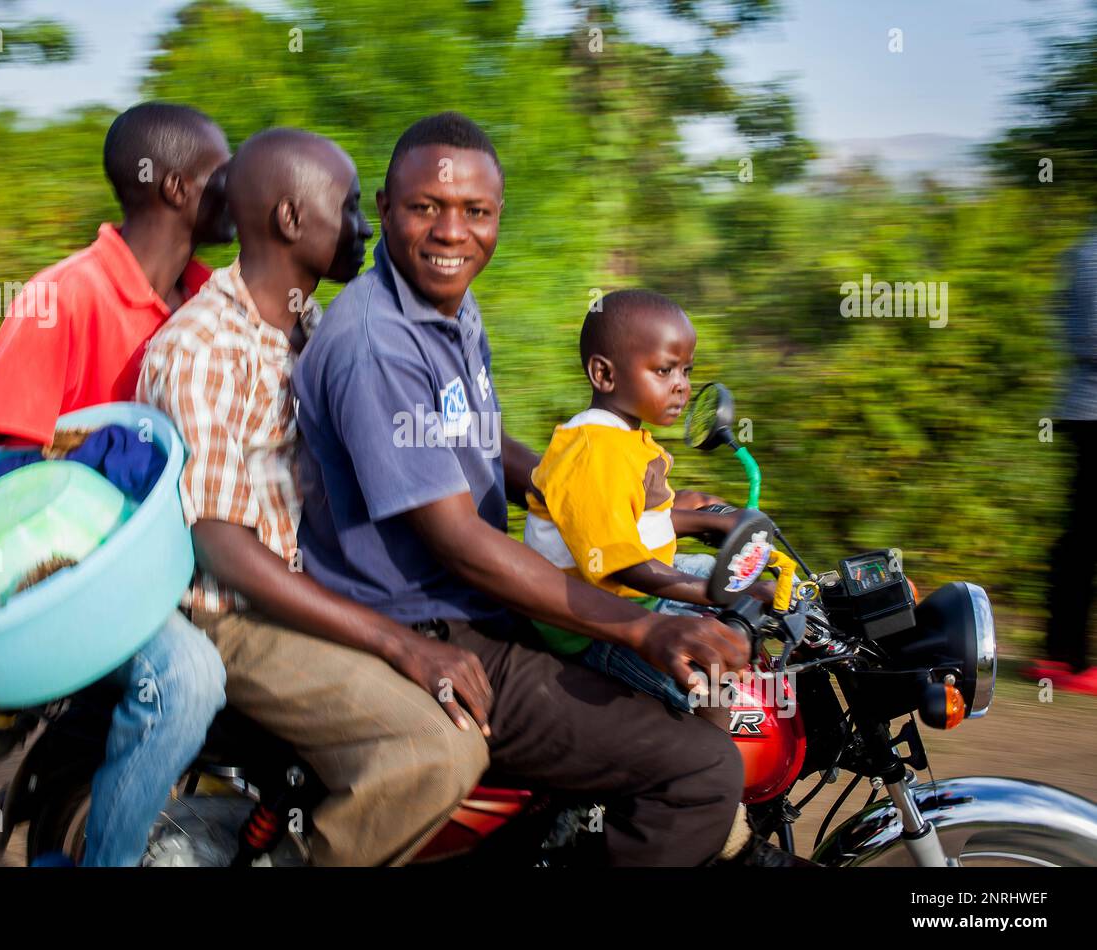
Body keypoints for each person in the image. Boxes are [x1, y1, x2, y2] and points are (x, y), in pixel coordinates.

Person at [292, 111, 791, 865]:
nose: (451, 232)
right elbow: (460, 542)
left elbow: (482, 447)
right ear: (388, 211)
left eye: (475, 212)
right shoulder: (378, 345)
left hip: (480, 606)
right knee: (699, 767)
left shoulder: (446, 308)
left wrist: (626, 502)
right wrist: (641, 628)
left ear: (497, 220)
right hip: (436, 628)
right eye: (426, 207)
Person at [0, 103, 233, 866]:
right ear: (175, 187)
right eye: (222, 177)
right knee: (189, 678)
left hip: (184, 553)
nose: (237, 192)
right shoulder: (66, 296)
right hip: (92, 578)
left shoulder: (213, 296)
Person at [137, 128, 489, 866]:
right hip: (237, 617)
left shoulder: (310, 326)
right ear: (293, 221)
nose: (370, 225)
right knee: (437, 751)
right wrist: (400, 642)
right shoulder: (202, 346)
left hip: (319, 593)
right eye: (354, 207)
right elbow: (222, 546)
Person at [523, 290, 776, 710]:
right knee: (715, 684)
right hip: (594, 620)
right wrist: (712, 594)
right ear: (604, 375)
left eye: (686, 371)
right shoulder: (594, 451)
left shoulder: (622, 438)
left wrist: (714, 521)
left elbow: (641, 521)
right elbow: (622, 563)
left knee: (768, 594)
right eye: (664, 370)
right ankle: (716, 766)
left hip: (635, 588)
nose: (682, 386)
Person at [1027, 228, 1097, 695]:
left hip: (1082, 406)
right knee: (1083, 536)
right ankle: (1065, 657)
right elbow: (1088, 336)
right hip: (1091, 408)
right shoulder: (1089, 254)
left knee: (1081, 535)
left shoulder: (1080, 250)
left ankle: (1063, 653)